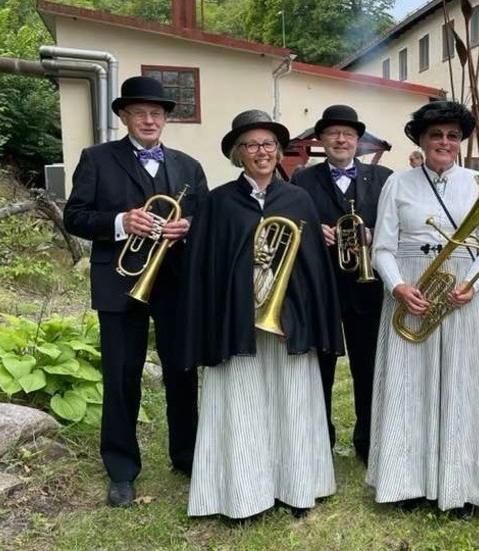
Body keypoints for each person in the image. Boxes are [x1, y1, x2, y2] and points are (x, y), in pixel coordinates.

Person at [179, 109, 345, 520]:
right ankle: (243, 492)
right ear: (239, 154)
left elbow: (312, 272)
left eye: (268, 144)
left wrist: (297, 315)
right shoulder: (217, 201)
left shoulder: (298, 199)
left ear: (278, 150)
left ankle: (296, 485)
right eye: (251, 145)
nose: (262, 152)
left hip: (286, 319)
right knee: (241, 401)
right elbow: (205, 267)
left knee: (291, 399)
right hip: (236, 320)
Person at [63, 75, 209, 508]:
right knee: (122, 376)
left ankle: (186, 455)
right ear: (124, 116)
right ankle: (122, 469)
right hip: (120, 282)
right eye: (141, 112)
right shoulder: (97, 158)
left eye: (157, 113)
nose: (149, 119)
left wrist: (188, 229)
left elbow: (203, 219)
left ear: (165, 118)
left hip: (174, 282)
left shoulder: (188, 165)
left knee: (181, 371)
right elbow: (75, 217)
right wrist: (120, 223)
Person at [367, 101, 479, 520]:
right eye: (435, 135)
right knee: (408, 385)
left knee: (462, 386)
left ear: (460, 142)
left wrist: (472, 284)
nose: (444, 142)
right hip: (412, 285)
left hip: (461, 291)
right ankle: (406, 480)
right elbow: (383, 248)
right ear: (422, 140)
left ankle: (461, 486)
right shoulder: (398, 182)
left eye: (451, 136)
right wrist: (398, 287)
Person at [291, 105, 392, 463]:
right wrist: (312, 231)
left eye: (348, 134)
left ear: (358, 140)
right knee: (320, 367)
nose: (341, 139)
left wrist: (373, 232)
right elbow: (291, 223)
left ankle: (368, 440)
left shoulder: (383, 178)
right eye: (333, 133)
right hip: (322, 287)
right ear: (321, 139)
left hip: (368, 288)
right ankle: (321, 439)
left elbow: (398, 226)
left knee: (369, 367)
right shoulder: (302, 180)